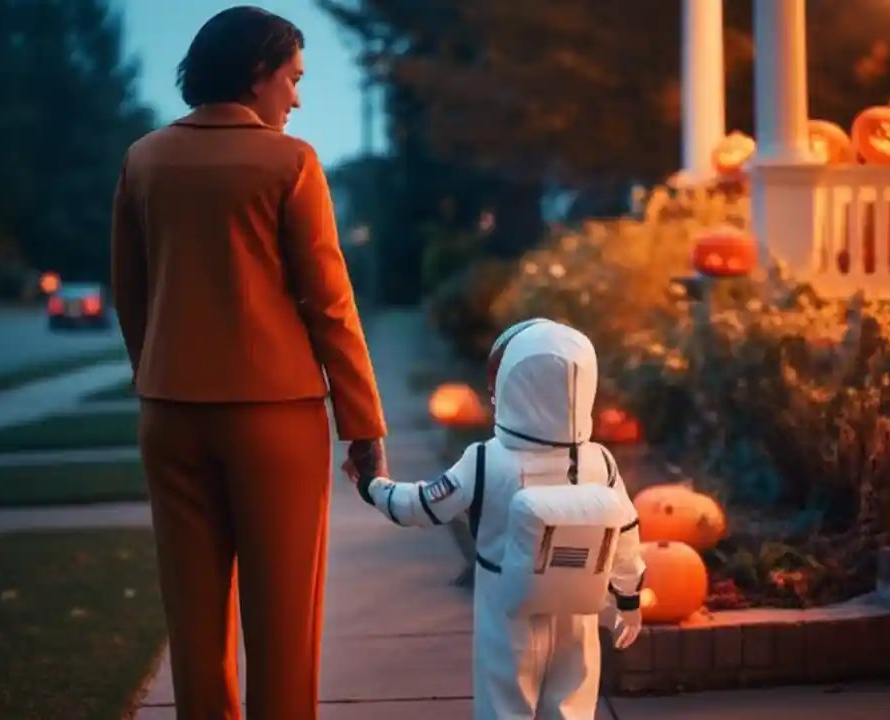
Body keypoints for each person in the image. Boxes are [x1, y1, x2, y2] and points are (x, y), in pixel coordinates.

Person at [110, 6, 387, 719]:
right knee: (283, 623)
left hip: (169, 417)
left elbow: (131, 293)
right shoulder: (290, 162)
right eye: (292, 79)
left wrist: (160, 376)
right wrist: (363, 423)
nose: (295, 98)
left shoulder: (144, 159)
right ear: (257, 73)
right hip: (275, 418)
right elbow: (329, 305)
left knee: (194, 624)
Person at [344, 319, 646, 720]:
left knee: (503, 706)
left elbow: (421, 505)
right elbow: (625, 533)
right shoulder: (598, 462)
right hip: (578, 608)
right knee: (573, 705)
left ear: (510, 384)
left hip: (507, 611)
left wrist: (373, 486)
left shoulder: (486, 460)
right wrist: (627, 600)